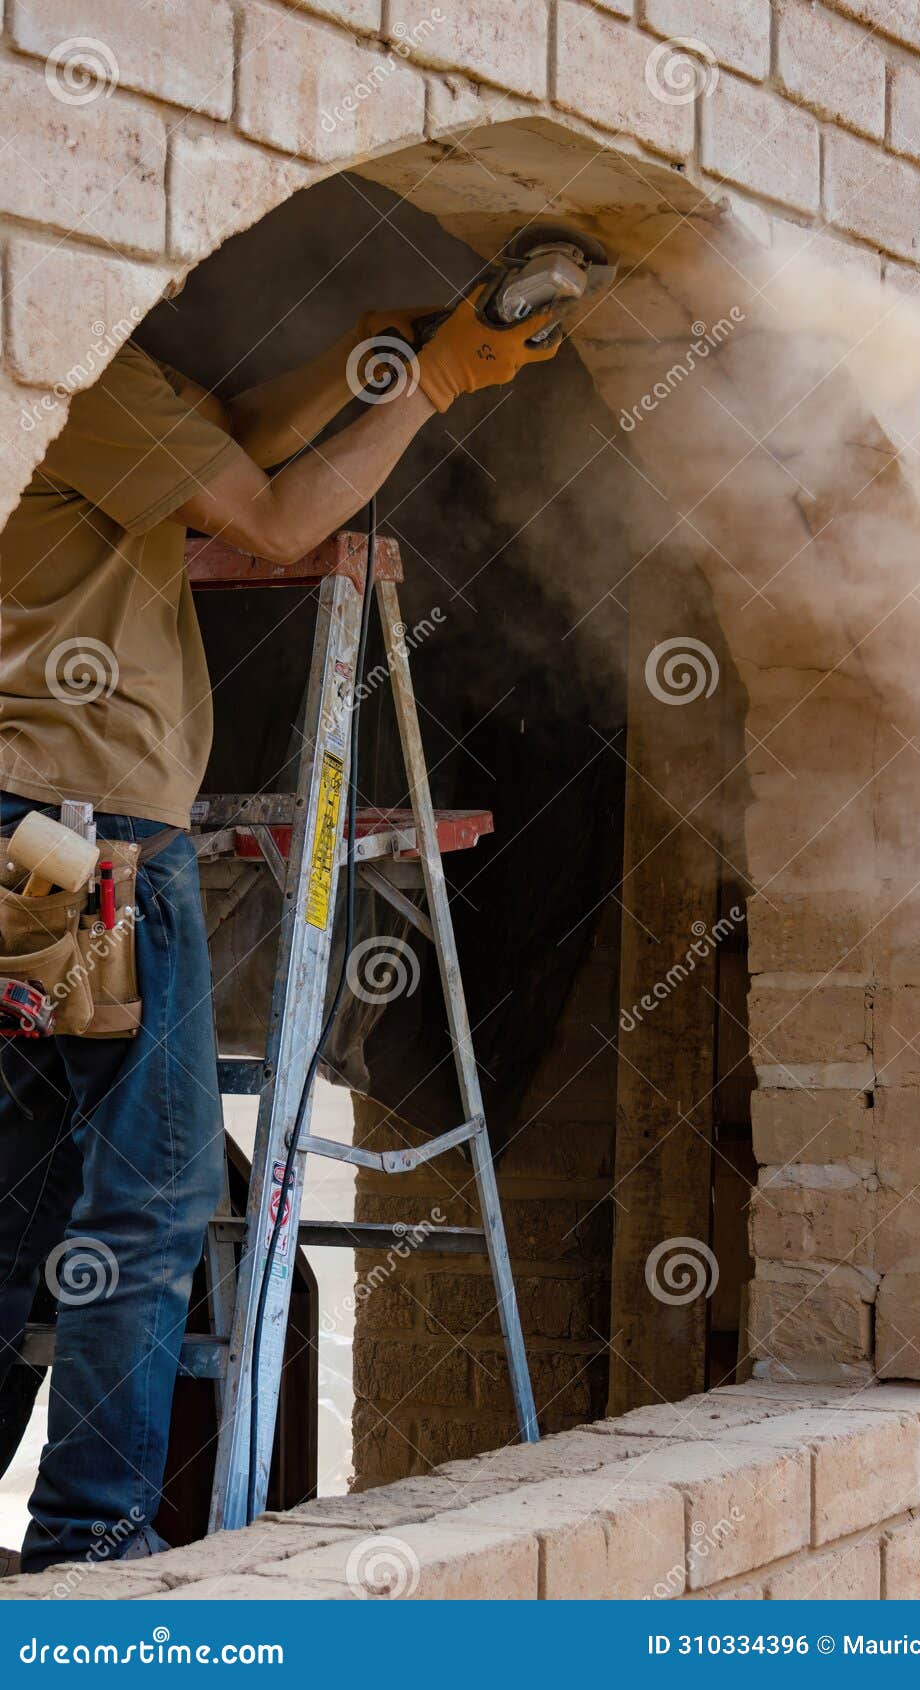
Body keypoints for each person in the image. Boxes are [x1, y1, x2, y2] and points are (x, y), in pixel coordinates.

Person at [0, 293, 559, 1573]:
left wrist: (363, 357)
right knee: (154, 1199)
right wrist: (431, 386)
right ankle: (89, 1543)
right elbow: (274, 516)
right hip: (95, 844)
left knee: (16, 1194)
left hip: (28, 829)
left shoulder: (59, 371)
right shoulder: (66, 358)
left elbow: (217, 443)